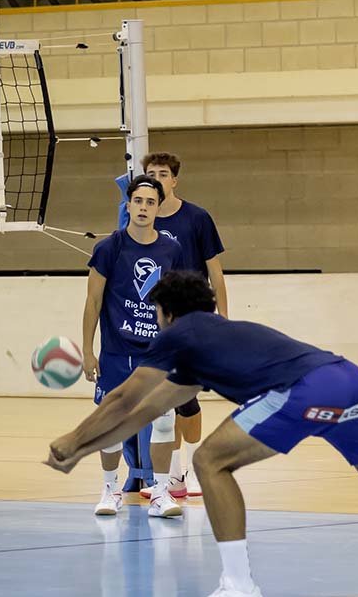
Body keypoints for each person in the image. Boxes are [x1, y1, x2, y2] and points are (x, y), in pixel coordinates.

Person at [46, 271, 358, 597]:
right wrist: (81, 452)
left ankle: (239, 585)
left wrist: (69, 438)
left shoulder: (179, 335)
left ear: (167, 313)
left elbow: (122, 400)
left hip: (304, 389)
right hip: (350, 380)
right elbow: (143, 412)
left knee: (209, 461)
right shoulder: (213, 342)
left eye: (156, 313)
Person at [82, 175, 187, 518]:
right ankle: (109, 488)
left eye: (150, 202)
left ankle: (158, 492)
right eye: (138, 201)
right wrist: (87, 350)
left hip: (157, 354)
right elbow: (93, 302)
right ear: (128, 206)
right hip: (117, 354)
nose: (143, 207)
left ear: (158, 208)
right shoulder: (109, 248)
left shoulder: (171, 250)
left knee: (164, 420)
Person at [143, 152, 228, 499]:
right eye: (151, 174)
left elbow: (216, 272)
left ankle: (195, 472)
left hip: (193, 319)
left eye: (163, 174)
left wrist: (223, 317)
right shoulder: (139, 220)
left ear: (174, 180)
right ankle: (172, 476)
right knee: (163, 401)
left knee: (187, 398)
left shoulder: (197, 218)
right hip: (153, 321)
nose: (158, 179)